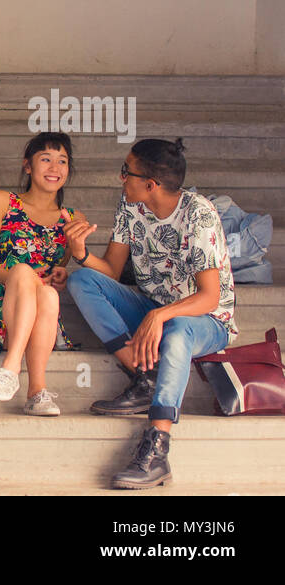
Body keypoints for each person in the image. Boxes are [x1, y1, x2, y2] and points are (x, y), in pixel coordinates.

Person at [66, 138, 236, 489]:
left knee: (177, 330)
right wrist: (80, 253)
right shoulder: (131, 207)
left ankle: (157, 449)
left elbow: (209, 298)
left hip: (206, 321)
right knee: (83, 280)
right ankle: (142, 377)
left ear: (150, 184)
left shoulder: (198, 213)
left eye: (127, 172)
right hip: (155, 310)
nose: (121, 178)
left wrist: (158, 317)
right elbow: (111, 270)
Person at [0, 132, 78, 416]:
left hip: (38, 313)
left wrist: (62, 272)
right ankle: (17, 371)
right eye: (45, 159)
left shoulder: (72, 220)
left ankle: (33, 389)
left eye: (62, 161)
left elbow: (57, 268)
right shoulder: (3, 201)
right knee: (25, 272)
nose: (54, 168)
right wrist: (19, 277)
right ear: (28, 166)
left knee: (49, 293)